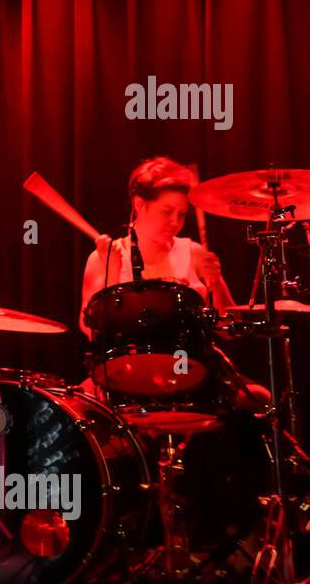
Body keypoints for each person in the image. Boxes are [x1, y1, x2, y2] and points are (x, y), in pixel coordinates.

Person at [80, 155, 268, 408]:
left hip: (190, 370)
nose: (175, 222)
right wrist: (111, 271)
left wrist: (216, 283)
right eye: (166, 211)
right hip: (127, 371)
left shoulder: (194, 252)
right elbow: (90, 330)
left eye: (181, 214)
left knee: (259, 399)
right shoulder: (105, 256)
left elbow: (228, 330)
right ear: (139, 204)